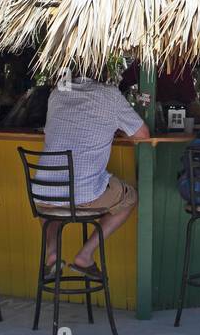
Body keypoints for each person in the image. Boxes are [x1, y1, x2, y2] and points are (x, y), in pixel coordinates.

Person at [36, 72, 149, 277]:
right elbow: (142, 135)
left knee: (50, 204)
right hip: (83, 195)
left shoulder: (59, 90)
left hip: (43, 191)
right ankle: (85, 255)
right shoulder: (110, 94)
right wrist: (117, 128)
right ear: (101, 70)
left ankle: (52, 253)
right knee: (130, 197)